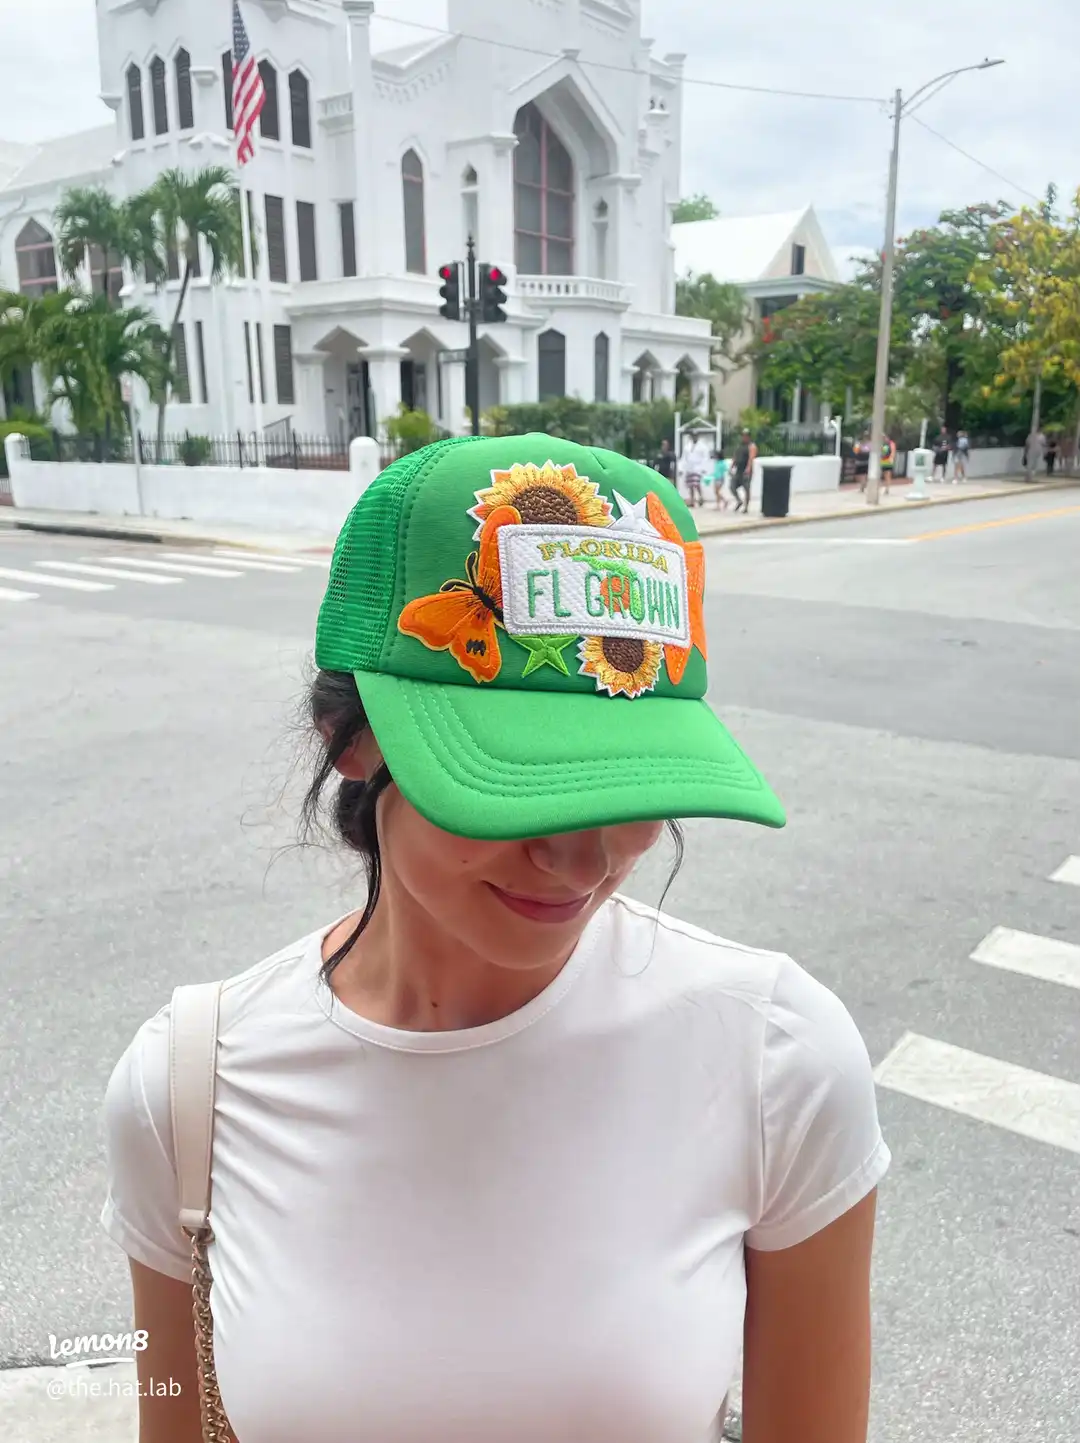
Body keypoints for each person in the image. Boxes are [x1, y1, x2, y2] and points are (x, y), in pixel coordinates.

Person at [101, 436, 889, 1443]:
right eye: (511, 785)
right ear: (351, 739)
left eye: (630, 783)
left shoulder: (779, 1058)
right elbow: (168, 1405)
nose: (583, 859)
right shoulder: (184, 1091)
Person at [730, 428, 757, 512]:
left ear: (749, 437)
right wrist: (731, 466)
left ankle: (746, 507)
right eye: (743, 435)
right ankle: (739, 501)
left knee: (746, 489)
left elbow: (751, 458)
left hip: (746, 470)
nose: (744, 437)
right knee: (732, 486)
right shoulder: (739, 445)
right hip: (738, 469)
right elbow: (735, 456)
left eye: (746, 435)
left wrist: (748, 468)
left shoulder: (751, 446)